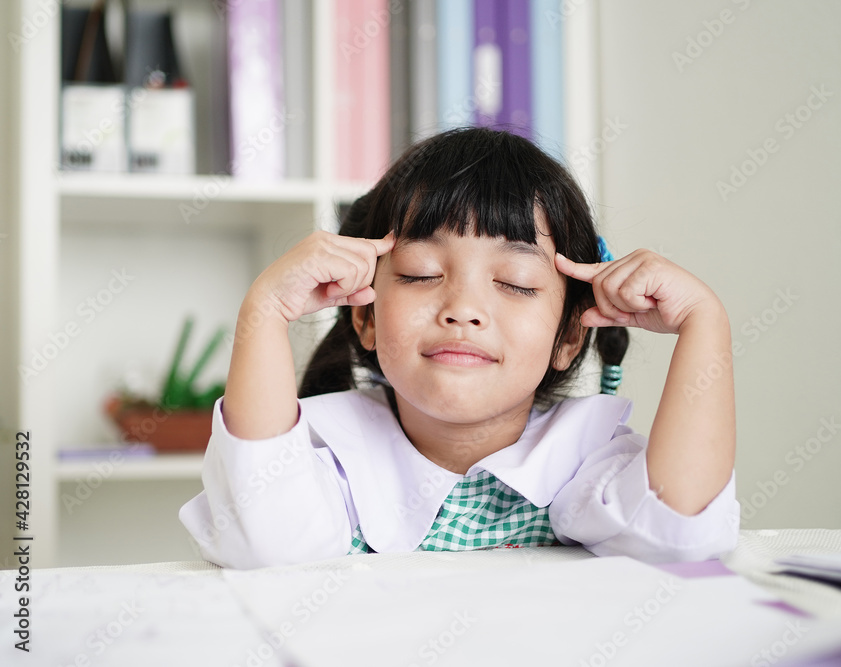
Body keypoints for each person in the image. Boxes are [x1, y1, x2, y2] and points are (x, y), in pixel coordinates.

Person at [179, 128, 738, 569]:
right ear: (365, 317)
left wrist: (702, 321)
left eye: (516, 282)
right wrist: (265, 312)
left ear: (569, 336)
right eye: (422, 274)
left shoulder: (580, 458)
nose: (463, 308)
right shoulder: (334, 457)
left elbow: (678, 531)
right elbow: (261, 542)